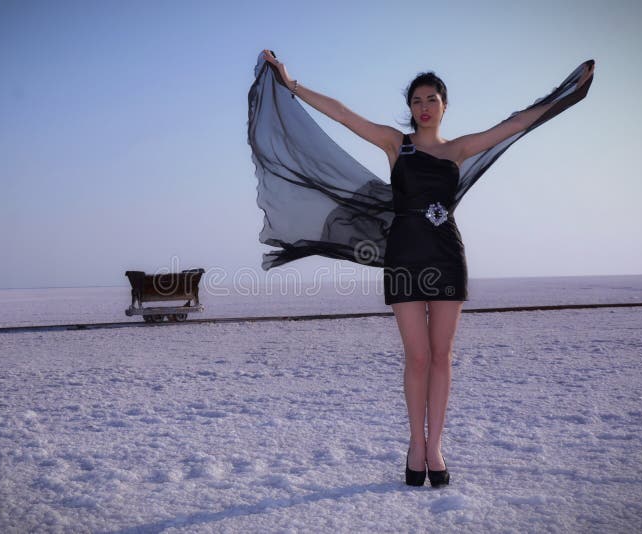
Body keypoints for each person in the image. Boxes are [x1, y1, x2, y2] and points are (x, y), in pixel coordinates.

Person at [253, 49, 594, 487]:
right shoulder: (397, 144)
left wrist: (568, 91)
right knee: (416, 356)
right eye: (417, 100)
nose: (424, 107)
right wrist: (290, 82)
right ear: (410, 107)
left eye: (432, 99)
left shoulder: (459, 148)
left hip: (446, 256)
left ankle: (436, 448)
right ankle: (416, 444)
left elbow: (515, 123)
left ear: (444, 105)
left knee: (441, 357)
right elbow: (342, 114)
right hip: (404, 257)